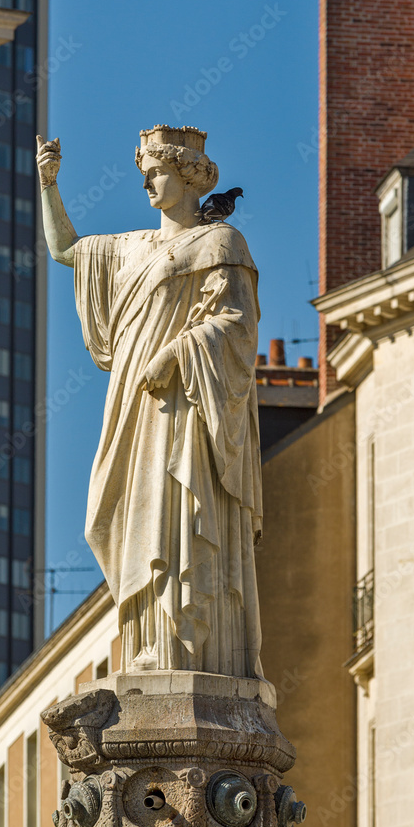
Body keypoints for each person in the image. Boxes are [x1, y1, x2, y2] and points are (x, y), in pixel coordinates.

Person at [36, 125, 263, 677]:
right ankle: (144, 643)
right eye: (144, 175)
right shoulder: (132, 246)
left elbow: (237, 326)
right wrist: (48, 186)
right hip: (133, 408)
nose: (147, 185)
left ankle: (179, 650)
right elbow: (65, 248)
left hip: (186, 405)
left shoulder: (220, 244)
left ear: (187, 177)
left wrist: (180, 352)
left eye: (156, 173)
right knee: (119, 520)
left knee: (176, 518)